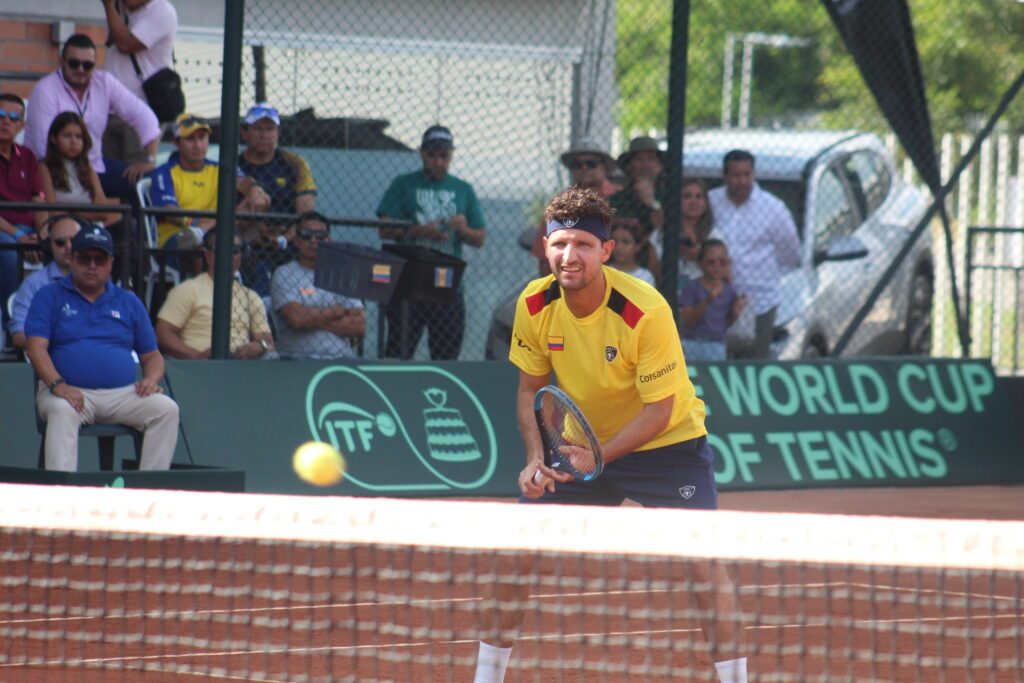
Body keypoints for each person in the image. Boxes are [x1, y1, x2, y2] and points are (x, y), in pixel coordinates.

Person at [473, 187, 747, 683]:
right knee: (514, 554)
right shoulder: (533, 304)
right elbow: (529, 391)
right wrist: (536, 457)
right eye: (559, 244)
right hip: (579, 445)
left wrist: (595, 457)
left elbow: (659, 411)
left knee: (704, 567)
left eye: (581, 245)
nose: (568, 255)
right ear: (544, 247)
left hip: (667, 449)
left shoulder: (645, 310)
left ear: (605, 251)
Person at [23, 224, 178, 471]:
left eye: (100, 259)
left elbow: (152, 355)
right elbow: (36, 348)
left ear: (110, 263)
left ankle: (149, 493)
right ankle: (60, 499)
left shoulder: (128, 301)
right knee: (62, 411)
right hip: (66, 392)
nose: (92, 266)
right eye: (85, 258)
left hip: (122, 395)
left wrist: (150, 379)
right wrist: (58, 385)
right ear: (72, 258)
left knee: (165, 409)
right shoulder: (49, 295)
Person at [376, 124, 486, 360]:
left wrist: (463, 229)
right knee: (398, 354)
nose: (438, 161)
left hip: (448, 285)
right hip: (408, 283)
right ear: (422, 153)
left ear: (451, 156)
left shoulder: (463, 189)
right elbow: (384, 228)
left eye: (444, 156)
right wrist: (418, 231)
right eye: (432, 155)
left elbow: (480, 237)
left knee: (446, 357)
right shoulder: (404, 184)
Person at [23, 33, 161, 204]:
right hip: (56, 171)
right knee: (100, 206)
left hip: (94, 166)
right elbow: (44, 147)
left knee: (147, 182)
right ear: (61, 61)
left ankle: (136, 230)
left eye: (87, 65)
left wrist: (150, 160)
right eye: (74, 63)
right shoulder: (45, 90)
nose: (80, 69)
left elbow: (145, 117)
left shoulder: (104, 82)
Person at [707, 150, 801, 358]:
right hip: (714, 299)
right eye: (735, 175)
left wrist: (764, 275)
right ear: (725, 176)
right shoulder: (711, 202)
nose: (742, 181)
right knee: (717, 358)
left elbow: (790, 254)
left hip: (759, 300)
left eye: (746, 175)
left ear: (753, 174)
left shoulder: (773, 208)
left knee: (755, 362)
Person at [149, 112, 269, 248]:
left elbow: (244, 182)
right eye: (190, 139)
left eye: (202, 137)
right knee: (199, 244)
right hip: (178, 239)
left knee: (262, 199)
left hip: (216, 232)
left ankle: (205, 233)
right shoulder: (163, 173)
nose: (198, 145)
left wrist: (255, 188)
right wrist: (195, 224)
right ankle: (202, 234)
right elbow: (170, 212)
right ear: (176, 142)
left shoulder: (220, 169)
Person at [154, 228, 275, 360]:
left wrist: (259, 345)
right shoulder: (188, 289)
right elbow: (162, 333)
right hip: (197, 366)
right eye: (221, 248)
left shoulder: (250, 296)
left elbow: (268, 342)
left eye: (235, 250)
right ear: (208, 255)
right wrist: (197, 356)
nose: (230, 255)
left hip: (240, 366)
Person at [270, 212, 365, 359]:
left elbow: (359, 325)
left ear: (328, 240)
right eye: (306, 235)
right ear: (296, 240)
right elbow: (297, 319)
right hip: (297, 360)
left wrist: (313, 321)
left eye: (320, 236)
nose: (313, 241)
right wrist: (337, 311)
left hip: (342, 358)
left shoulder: (341, 274)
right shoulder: (283, 273)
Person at [100, 0, 178, 164]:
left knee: (134, 175)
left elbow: (125, 44)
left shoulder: (162, 11)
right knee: (107, 175)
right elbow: (111, 39)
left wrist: (108, 5)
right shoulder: (122, 7)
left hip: (140, 111)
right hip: (110, 109)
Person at [529, 135, 620, 276]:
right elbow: (544, 257)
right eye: (577, 165)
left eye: (591, 163)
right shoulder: (561, 203)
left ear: (605, 167)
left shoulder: (622, 197)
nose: (584, 168)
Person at [0, 93, 47, 341]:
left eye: (13, 117)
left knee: (62, 249)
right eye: (0, 115)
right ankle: (12, 326)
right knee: (8, 253)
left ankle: (49, 329)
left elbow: (39, 202)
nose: (5, 121)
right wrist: (19, 236)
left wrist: (41, 236)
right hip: (7, 234)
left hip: (27, 232)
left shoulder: (28, 156)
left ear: (22, 125)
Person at [8, 215, 83, 350]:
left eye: (74, 240)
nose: (68, 246)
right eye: (60, 242)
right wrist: (59, 346)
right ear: (49, 246)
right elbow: (18, 335)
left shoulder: (96, 281)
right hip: (48, 357)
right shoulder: (34, 282)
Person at [238, 103, 317, 216]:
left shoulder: (296, 163)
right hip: (246, 229)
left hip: (287, 230)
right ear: (244, 133)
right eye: (257, 128)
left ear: (278, 133)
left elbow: (305, 213)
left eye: (270, 129)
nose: (264, 135)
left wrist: (284, 235)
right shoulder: (234, 164)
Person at [608, 135, 666, 282]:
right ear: (629, 166)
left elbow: (666, 229)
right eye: (639, 160)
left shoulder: (670, 197)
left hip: (663, 269)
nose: (645, 165)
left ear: (660, 165)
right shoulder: (616, 201)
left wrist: (651, 202)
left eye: (651, 159)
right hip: (621, 272)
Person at [678, 239, 747, 362]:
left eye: (723, 262)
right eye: (711, 262)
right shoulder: (692, 286)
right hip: (691, 342)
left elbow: (726, 323)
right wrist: (707, 301)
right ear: (700, 263)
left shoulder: (729, 290)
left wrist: (735, 312)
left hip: (716, 344)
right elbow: (687, 320)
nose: (717, 266)